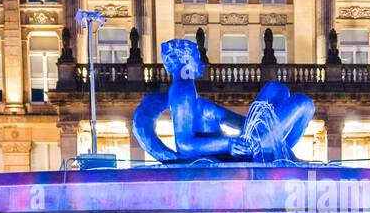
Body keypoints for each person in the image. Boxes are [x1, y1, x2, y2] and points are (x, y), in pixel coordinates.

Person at [132, 38, 314, 163]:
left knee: (277, 88)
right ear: (185, 59)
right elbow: (185, 145)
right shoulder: (182, 90)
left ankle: (278, 149)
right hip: (239, 152)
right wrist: (229, 144)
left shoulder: (189, 91)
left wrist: (266, 121)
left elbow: (242, 124)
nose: (201, 63)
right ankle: (279, 153)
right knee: (303, 102)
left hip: (244, 142)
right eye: (197, 57)